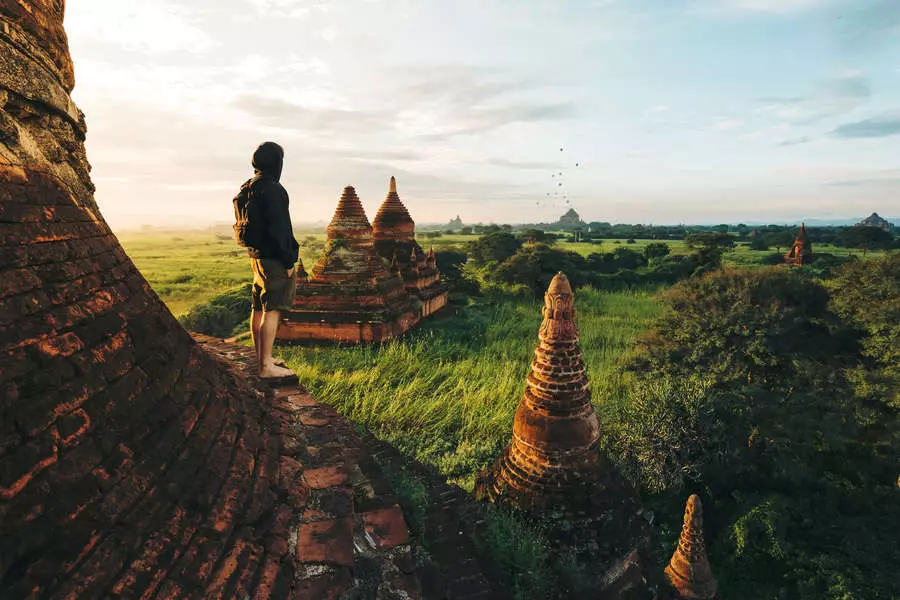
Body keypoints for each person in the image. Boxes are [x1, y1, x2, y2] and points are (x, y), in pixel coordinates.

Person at [243, 141, 300, 378]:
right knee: (273, 309)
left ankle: (262, 358)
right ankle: (266, 366)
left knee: (259, 308)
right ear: (277, 163)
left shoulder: (249, 187)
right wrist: (288, 261)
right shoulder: (273, 189)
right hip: (274, 259)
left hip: (257, 257)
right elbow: (280, 229)